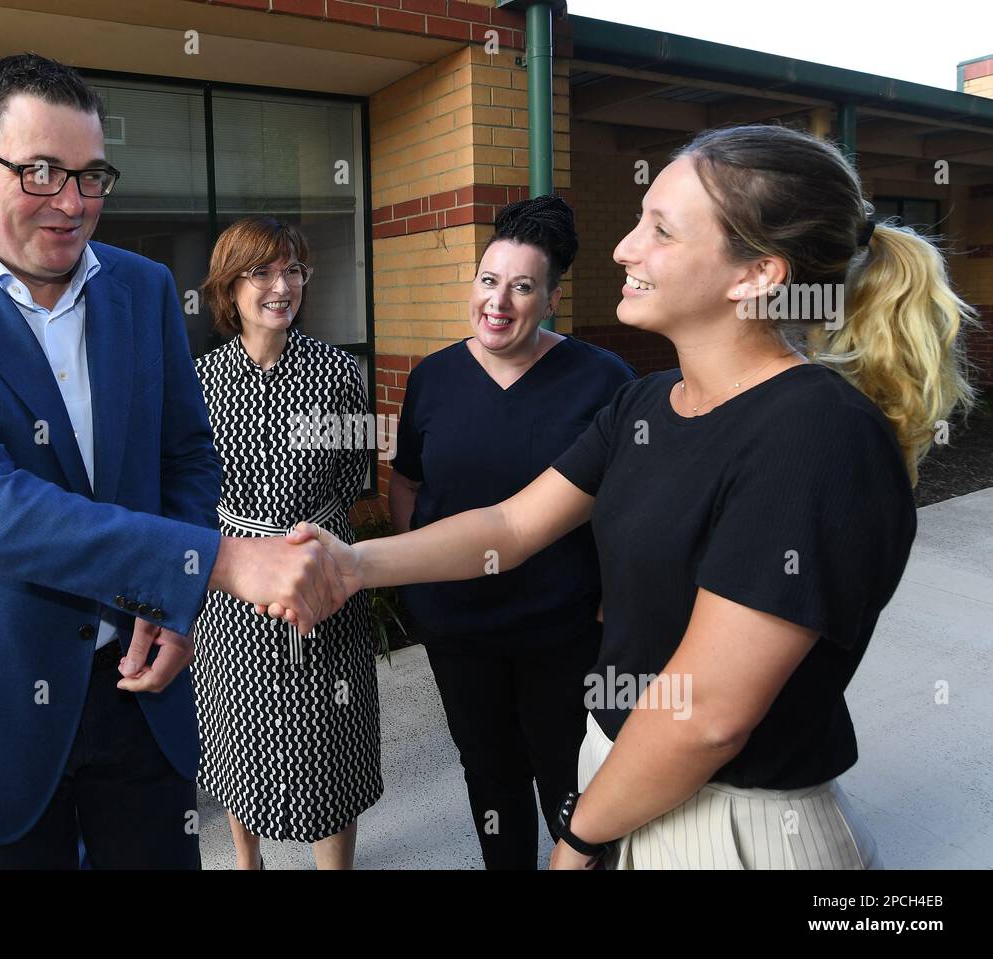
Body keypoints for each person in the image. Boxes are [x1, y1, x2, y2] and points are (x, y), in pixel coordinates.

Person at [277, 123, 976, 870]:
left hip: (725, 825)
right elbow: (511, 524)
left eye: (661, 230)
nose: (622, 248)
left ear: (757, 274)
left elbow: (705, 715)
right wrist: (353, 563)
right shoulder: (645, 403)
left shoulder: (817, 434)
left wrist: (578, 840)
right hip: (620, 774)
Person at [0, 53, 343, 869]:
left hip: (140, 682)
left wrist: (172, 607)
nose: (73, 203)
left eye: (90, 174)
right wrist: (212, 562)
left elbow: (185, 456)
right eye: (40, 171)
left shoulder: (142, 289)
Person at [388, 195, 633, 869]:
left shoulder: (601, 379)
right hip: (458, 629)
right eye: (489, 280)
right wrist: (418, 587)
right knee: (487, 767)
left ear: (551, 298)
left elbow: (628, 503)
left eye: (523, 286)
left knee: (566, 769)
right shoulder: (434, 377)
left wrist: (614, 600)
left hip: (562, 627)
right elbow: (407, 482)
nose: (499, 300)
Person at [191, 217, 382, 870]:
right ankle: (248, 860)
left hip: (319, 575)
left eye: (293, 270)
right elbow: (190, 484)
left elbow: (354, 472)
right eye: (263, 271)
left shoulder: (336, 372)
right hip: (233, 590)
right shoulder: (202, 379)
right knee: (238, 732)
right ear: (230, 285)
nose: (281, 285)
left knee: (327, 744)